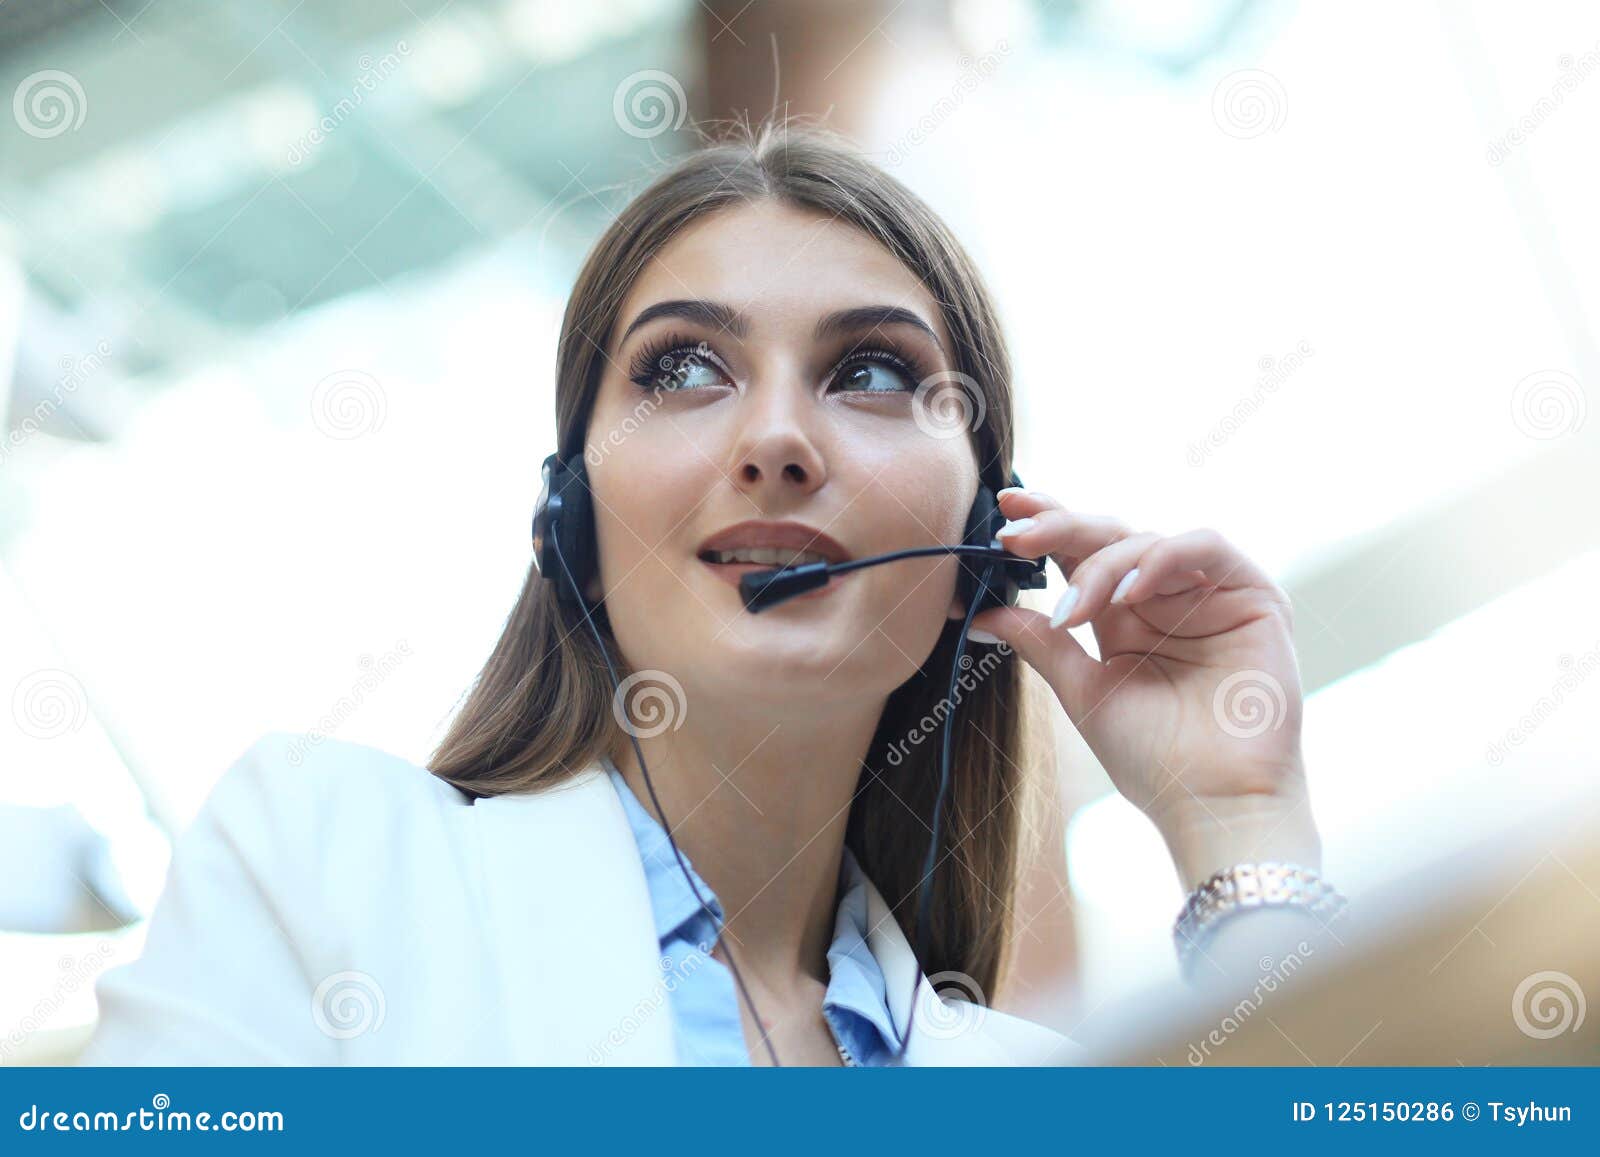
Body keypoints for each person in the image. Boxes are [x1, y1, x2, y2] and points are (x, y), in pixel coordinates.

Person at [78, 121, 1333, 1068]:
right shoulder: (323, 857)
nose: (776, 438)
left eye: (874, 373)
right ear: (567, 517)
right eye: (683, 367)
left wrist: (1237, 826)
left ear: (982, 539)